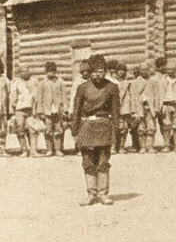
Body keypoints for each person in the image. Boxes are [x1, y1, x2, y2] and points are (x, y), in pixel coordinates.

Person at [71, 54, 120, 206]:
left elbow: (116, 111)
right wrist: (75, 130)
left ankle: (103, 193)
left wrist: (116, 130)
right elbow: (77, 110)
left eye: (101, 71)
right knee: (88, 160)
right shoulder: (82, 88)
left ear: (105, 71)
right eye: (95, 71)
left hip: (104, 126)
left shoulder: (112, 87)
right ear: (89, 72)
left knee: (104, 160)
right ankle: (91, 193)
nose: (98, 75)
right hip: (87, 127)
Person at [34, 61, 68, 156]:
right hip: (47, 110)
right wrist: (40, 111)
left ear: (55, 71)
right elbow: (39, 98)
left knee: (58, 129)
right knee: (48, 130)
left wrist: (65, 110)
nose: (51, 73)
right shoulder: (42, 83)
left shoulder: (60, 82)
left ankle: (58, 149)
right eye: (49, 71)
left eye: (53, 71)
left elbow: (64, 96)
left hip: (58, 110)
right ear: (46, 72)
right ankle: (49, 149)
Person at [8, 66, 36, 156]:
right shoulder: (15, 83)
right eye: (23, 71)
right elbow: (12, 97)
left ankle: (33, 150)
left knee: (32, 129)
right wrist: (12, 112)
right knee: (20, 129)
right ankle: (24, 150)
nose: (25, 73)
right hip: (19, 109)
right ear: (20, 73)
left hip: (31, 109)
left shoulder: (34, 81)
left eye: (27, 71)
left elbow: (37, 95)